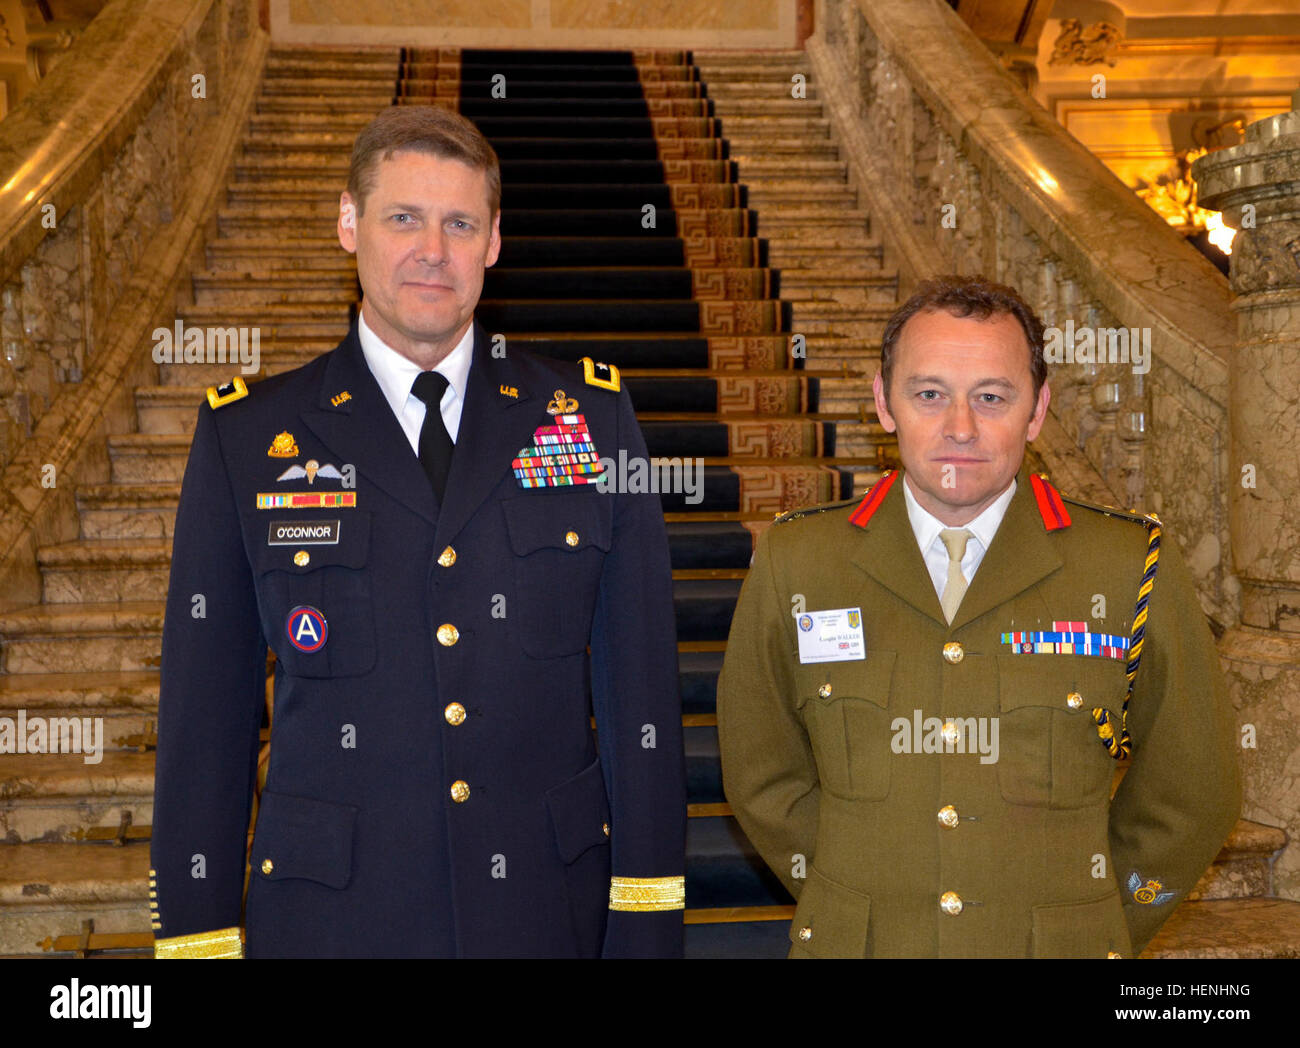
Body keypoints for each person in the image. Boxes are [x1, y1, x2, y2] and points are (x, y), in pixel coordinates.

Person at [149, 106, 686, 958]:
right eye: (404, 217)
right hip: (335, 920)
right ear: (348, 224)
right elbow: (203, 726)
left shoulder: (588, 418)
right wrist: (198, 941)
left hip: (545, 914)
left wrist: (647, 920)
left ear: (494, 243)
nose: (432, 249)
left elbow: (642, 694)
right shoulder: (247, 439)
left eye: (460, 223)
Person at [716, 275, 1240, 958]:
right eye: (929, 394)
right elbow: (762, 775)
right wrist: (853, 893)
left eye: (992, 397)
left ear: (1037, 410)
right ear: (883, 403)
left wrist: (1100, 918)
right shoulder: (798, 562)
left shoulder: (1126, 563)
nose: (959, 428)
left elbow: (1192, 792)